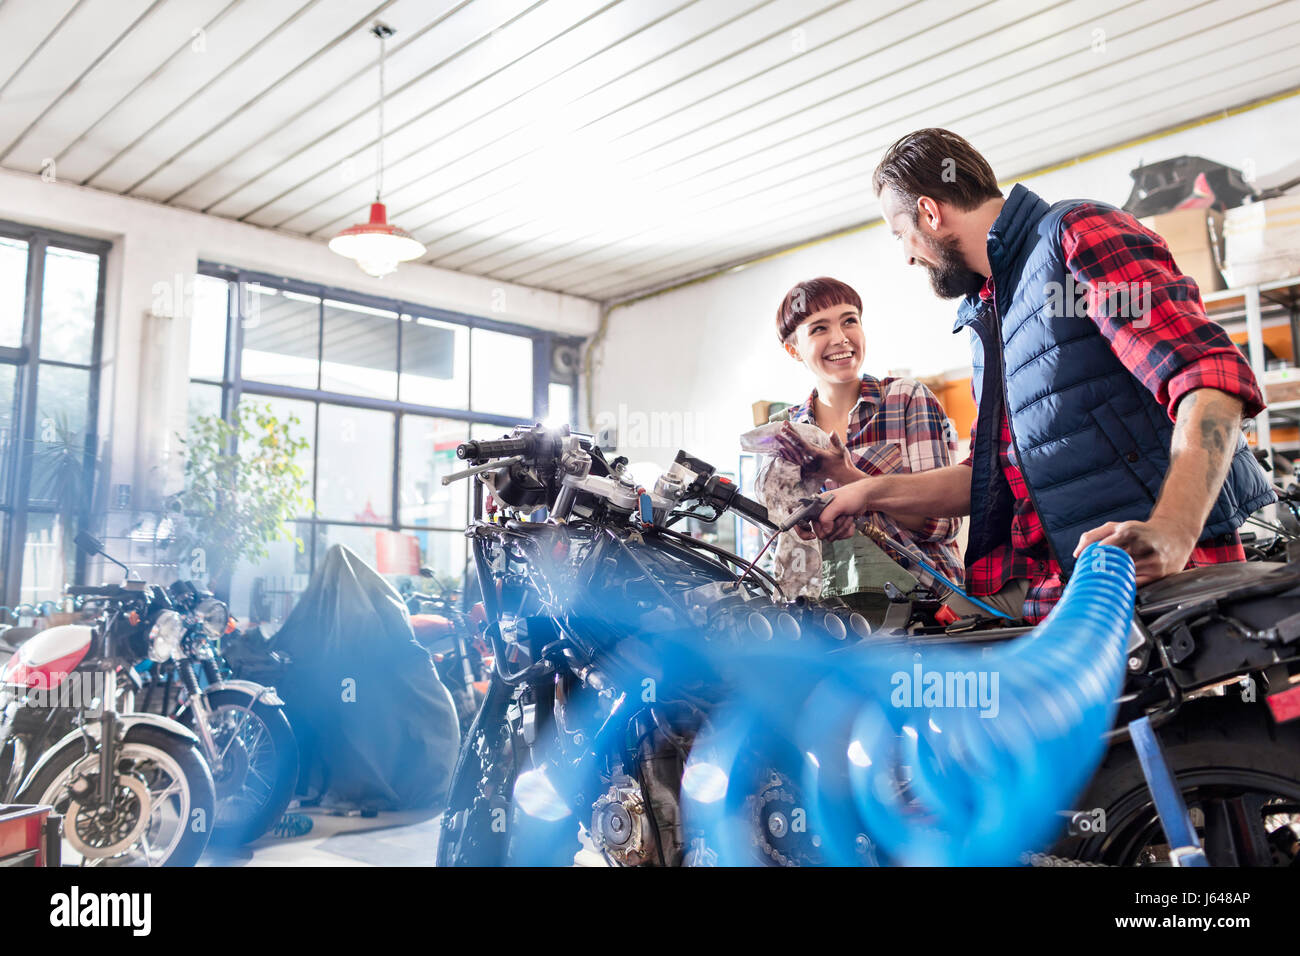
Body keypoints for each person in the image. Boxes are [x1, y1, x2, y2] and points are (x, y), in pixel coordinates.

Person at [806, 128, 1275, 623]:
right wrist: (866, 491)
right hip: (1057, 587)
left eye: (901, 233)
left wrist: (1173, 529)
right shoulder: (993, 309)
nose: (907, 254)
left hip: (1145, 578)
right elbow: (985, 479)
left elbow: (1208, 377)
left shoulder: (1076, 233)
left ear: (929, 211)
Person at [767, 276, 963, 620]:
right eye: (819, 329)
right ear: (793, 349)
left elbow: (943, 522)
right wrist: (811, 531)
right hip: (834, 619)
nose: (840, 338)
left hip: (926, 608)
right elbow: (783, 544)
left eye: (849, 321)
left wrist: (850, 479)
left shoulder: (905, 398)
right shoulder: (787, 431)